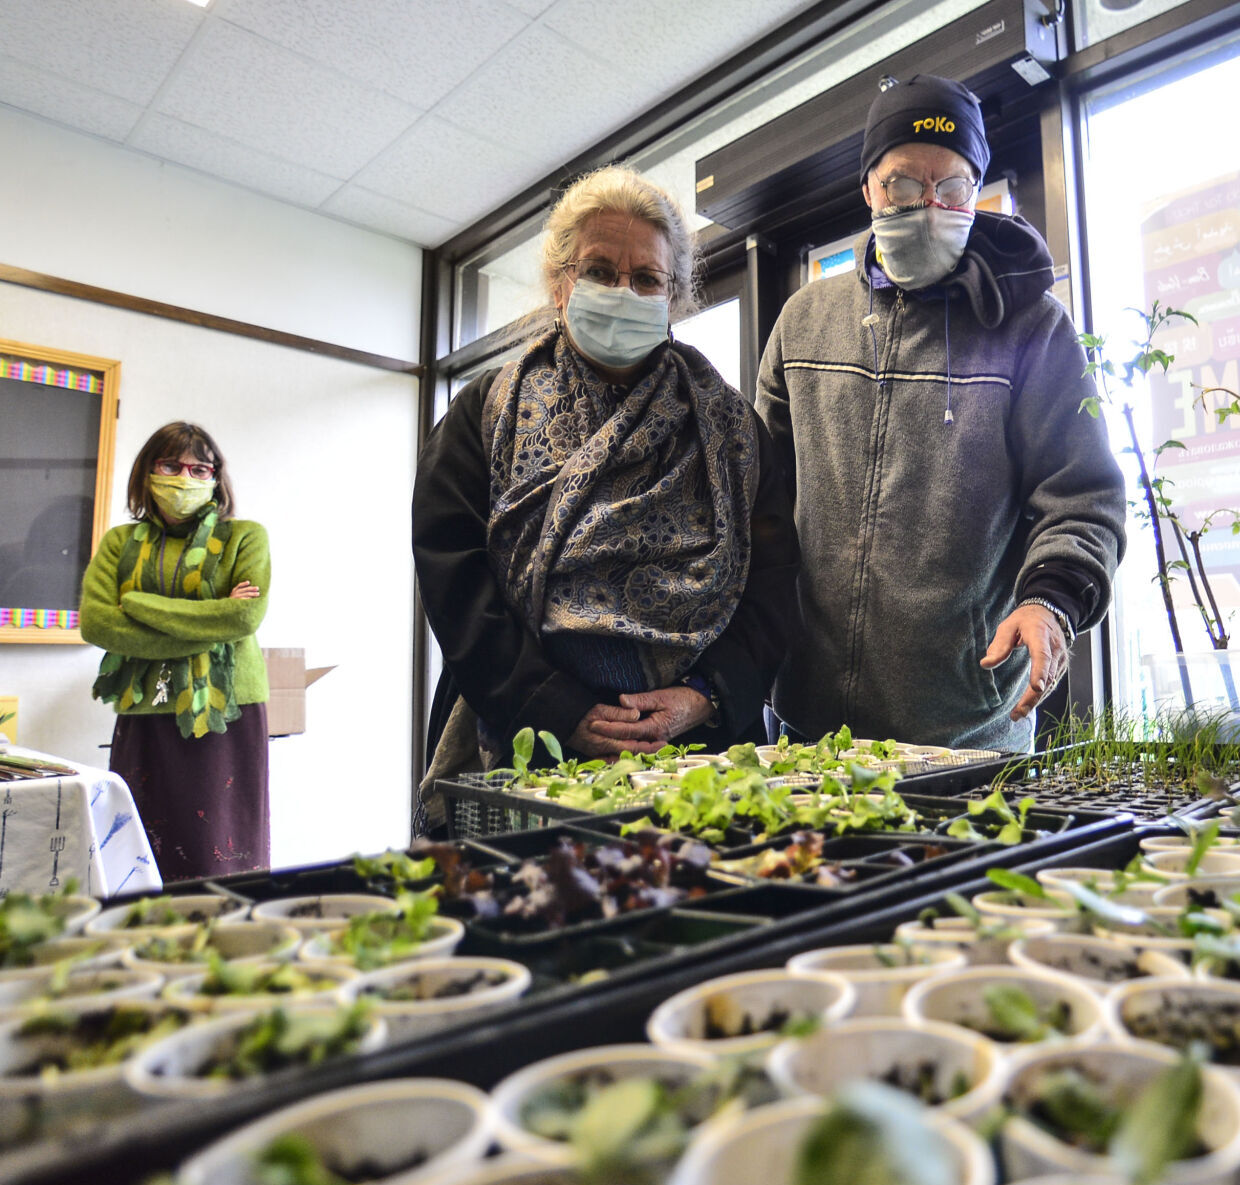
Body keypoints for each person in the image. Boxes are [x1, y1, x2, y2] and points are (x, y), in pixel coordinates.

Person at [413, 164, 799, 819]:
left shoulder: (734, 431)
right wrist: (560, 710)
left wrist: (706, 695)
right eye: (598, 271)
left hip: (697, 752)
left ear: (675, 296)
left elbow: (772, 585)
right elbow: (453, 575)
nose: (623, 290)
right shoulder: (488, 410)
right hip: (527, 739)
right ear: (560, 286)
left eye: (647, 277)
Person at [757, 74, 1127, 751]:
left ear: (974, 192)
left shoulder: (1032, 327)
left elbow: (1084, 497)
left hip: (970, 732)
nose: (929, 204)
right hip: (807, 730)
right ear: (869, 189)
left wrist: (1050, 600)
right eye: (903, 184)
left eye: (950, 187)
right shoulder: (804, 322)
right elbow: (761, 507)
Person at [80, 422, 271, 880]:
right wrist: (213, 616)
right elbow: (97, 623)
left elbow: (244, 619)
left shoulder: (245, 537)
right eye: (169, 465)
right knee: (137, 844)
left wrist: (140, 605)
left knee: (219, 849)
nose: (184, 478)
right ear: (147, 472)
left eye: (199, 468)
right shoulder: (119, 543)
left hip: (226, 709)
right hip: (143, 709)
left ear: (216, 477)